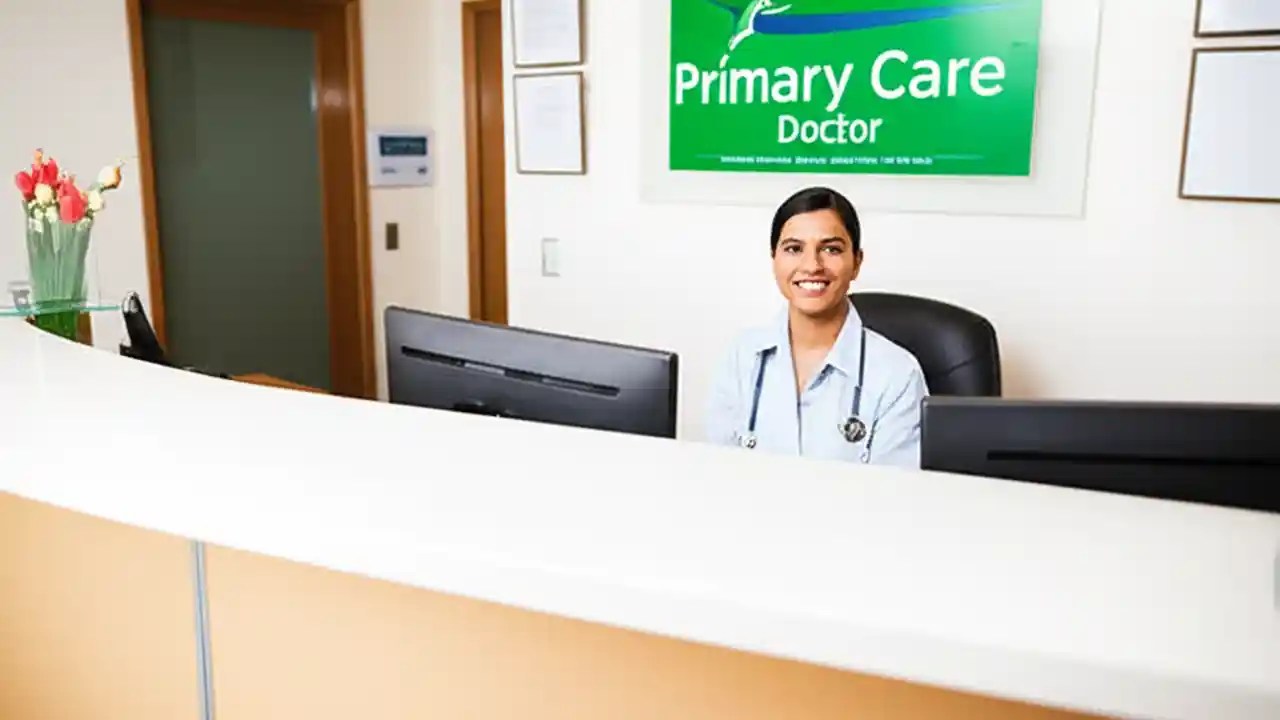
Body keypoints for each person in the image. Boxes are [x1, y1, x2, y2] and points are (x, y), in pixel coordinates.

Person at [705, 186, 929, 467]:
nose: (812, 265)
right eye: (794, 249)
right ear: (774, 259)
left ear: (856, 262)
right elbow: (720, 472)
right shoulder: (742, 356)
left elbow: (896, 489)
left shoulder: (897, 375)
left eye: (831, 249)